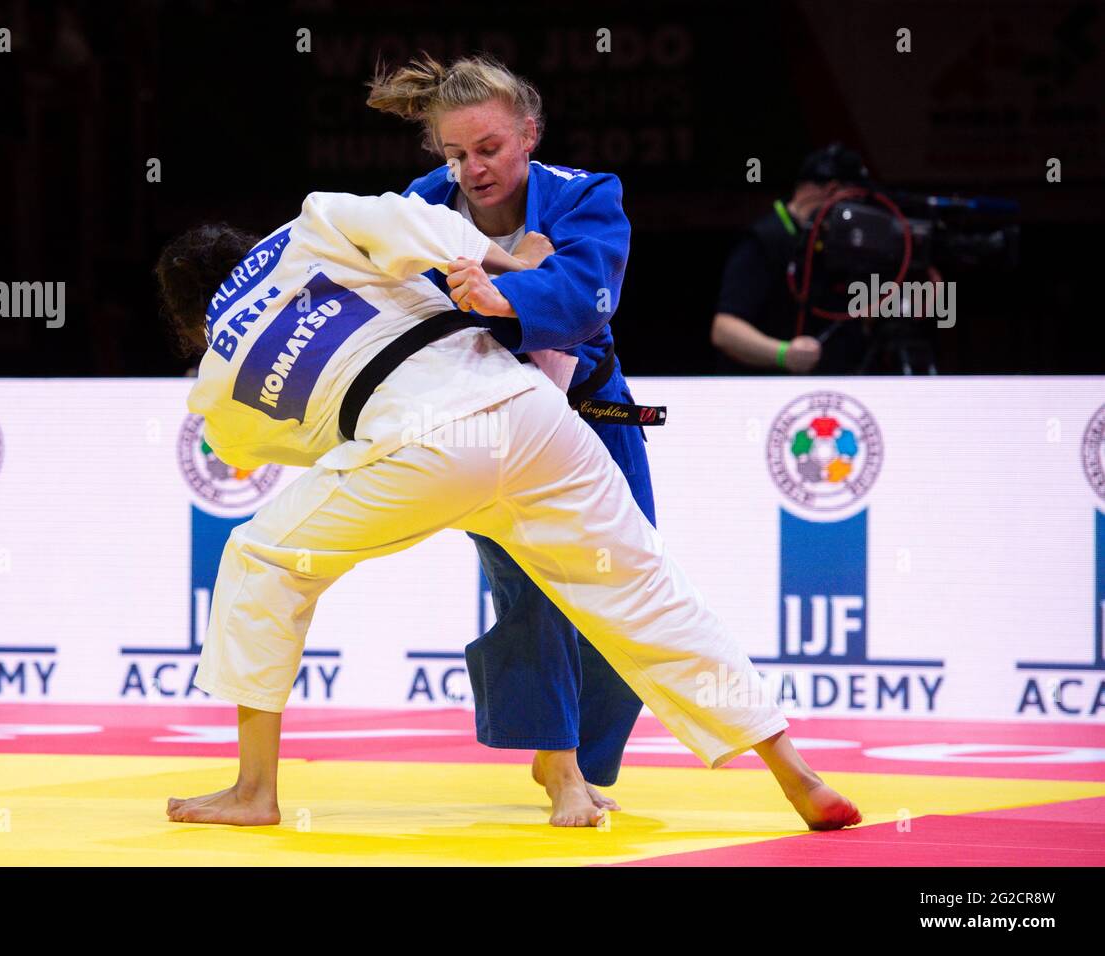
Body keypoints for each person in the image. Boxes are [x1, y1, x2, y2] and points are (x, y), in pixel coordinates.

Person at [156, 187, 861, 830]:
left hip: (421, 446)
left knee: (260, 558)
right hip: (531, 413)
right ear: (246, 250)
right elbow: (408, 220)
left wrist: (242, 362)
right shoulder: (306, 226)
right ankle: (794, 772)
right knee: (647, 590)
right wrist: (510, 258)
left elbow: (244, 448)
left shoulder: (216, 371)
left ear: (190, 318)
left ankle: (254, 790)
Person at [367, 53, 650, 808]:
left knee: (625, 587)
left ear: (529, 133)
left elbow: (589, 300)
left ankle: (583, 762)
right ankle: (558, 767)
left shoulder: (587, 194)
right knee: (527, 586)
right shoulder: (419, 208)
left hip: (592, 412)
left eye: (488, 148)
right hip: (484, 419)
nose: (473, 170)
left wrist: (502, 290)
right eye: (456, 154)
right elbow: (398, 308)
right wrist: (519, 268)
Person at [711, 143, 873, 375]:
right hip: (763, 396)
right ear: (833, 190)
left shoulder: (837, 246)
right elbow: (724, 330)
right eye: (854, 201)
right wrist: (782, 353)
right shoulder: (764, 240)